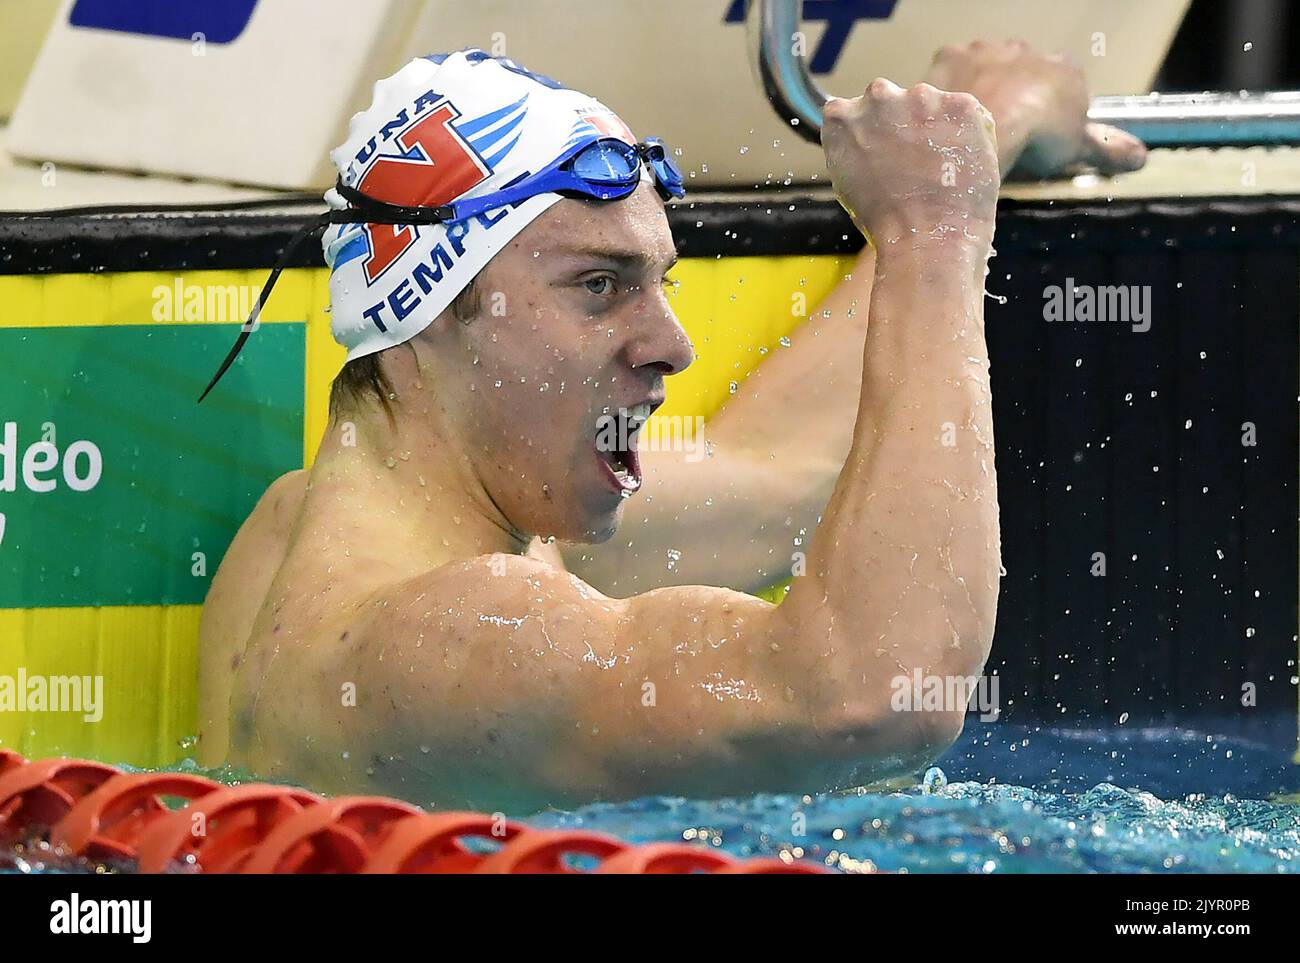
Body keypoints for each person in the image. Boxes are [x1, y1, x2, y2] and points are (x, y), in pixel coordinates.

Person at [197, 44, 1145, 811]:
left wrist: (986, 131)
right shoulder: (454, 636)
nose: (673, 344)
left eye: (659, 284)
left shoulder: (310, 532)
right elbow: (867, 698)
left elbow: (770, 471)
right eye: (599, 286)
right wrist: (938, 229)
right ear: (434, 310)